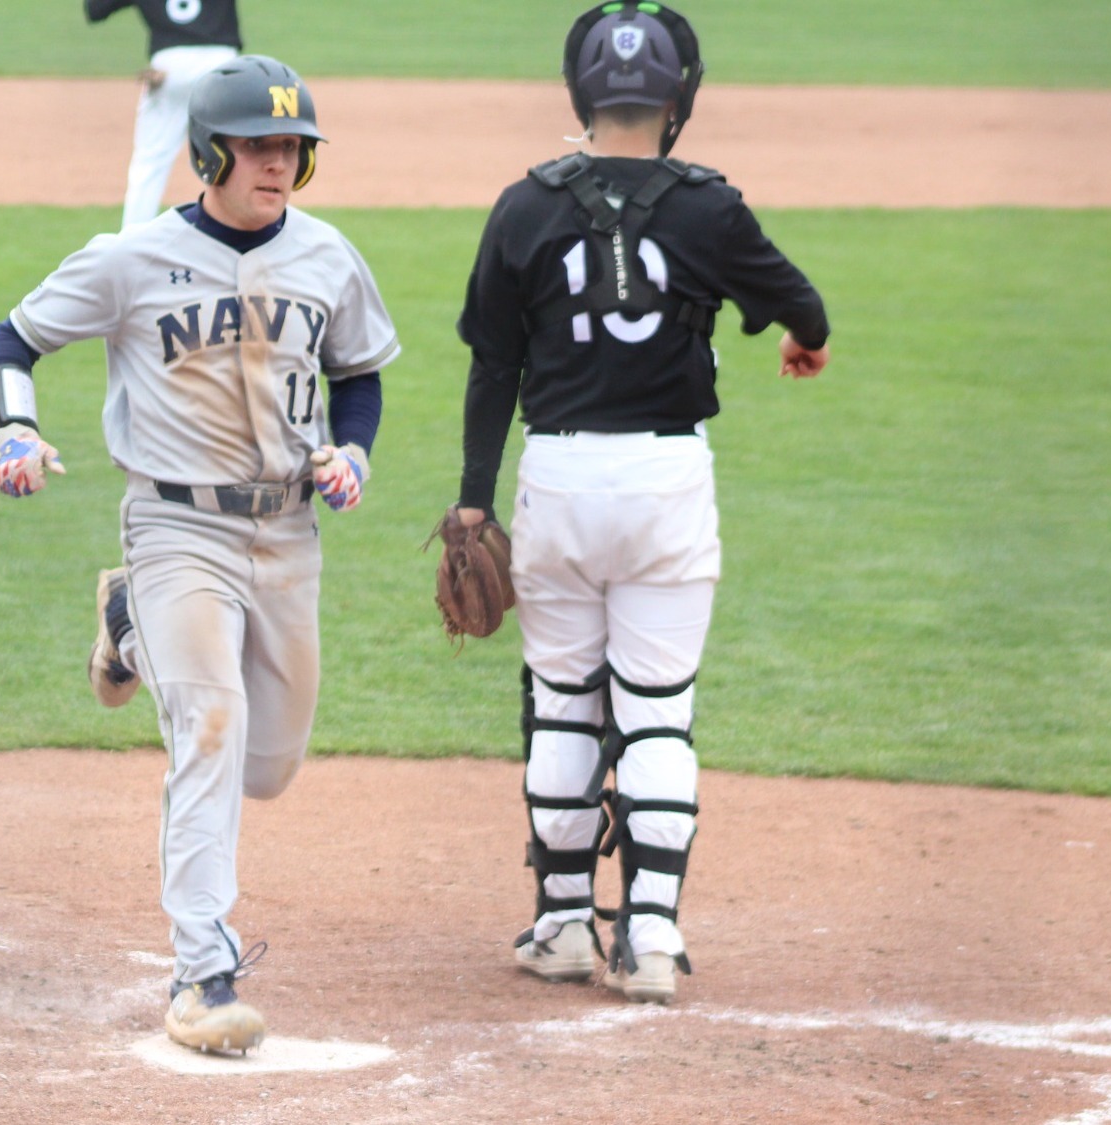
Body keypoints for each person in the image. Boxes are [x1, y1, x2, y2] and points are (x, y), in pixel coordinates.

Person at [0, 56, 397, 1052]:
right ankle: (201, 973)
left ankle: (124, 625)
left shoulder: (329, 256)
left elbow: (361, 373)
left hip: (287, 532)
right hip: (175, 527)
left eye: (292, 148)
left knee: (268, 764)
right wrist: (15, 432)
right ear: (208, 150)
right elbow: (11, 340)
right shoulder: (132, 258)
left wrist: (353, 450)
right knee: (207, 724)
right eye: (257, 145)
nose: (277, 164)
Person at [452, 2, 830, 1005]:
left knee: (563, 705)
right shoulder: (708, 206)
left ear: (577, 92)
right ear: (679, 96)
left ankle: (564, 926)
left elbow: (493, 368)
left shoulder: (523, 205)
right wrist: (796, 337)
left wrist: (467, 507)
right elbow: (804, 308)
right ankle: (652, 940)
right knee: (657, 711)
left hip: (558, 481)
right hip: (665, 483)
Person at [85, 0, 243, 228]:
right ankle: (241, 236)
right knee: (235, 156)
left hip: (170, 67)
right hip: (222, 65)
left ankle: (132, 244)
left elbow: (95, 10)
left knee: (150, 162)